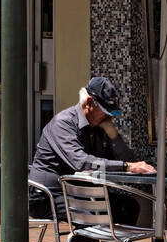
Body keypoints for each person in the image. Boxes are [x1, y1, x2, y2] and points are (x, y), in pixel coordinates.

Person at [29, 76, 155, 226]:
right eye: (106, 111)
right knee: (96, 215)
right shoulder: (63, 123)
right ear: (89, 103)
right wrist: (127, 166)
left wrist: (114, 136)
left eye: (113, 114)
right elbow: (81, 162)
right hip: (48, 196)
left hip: (77, 192)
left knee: (128, 206)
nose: (109, 117)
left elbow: (125, 160)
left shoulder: (98, 127)